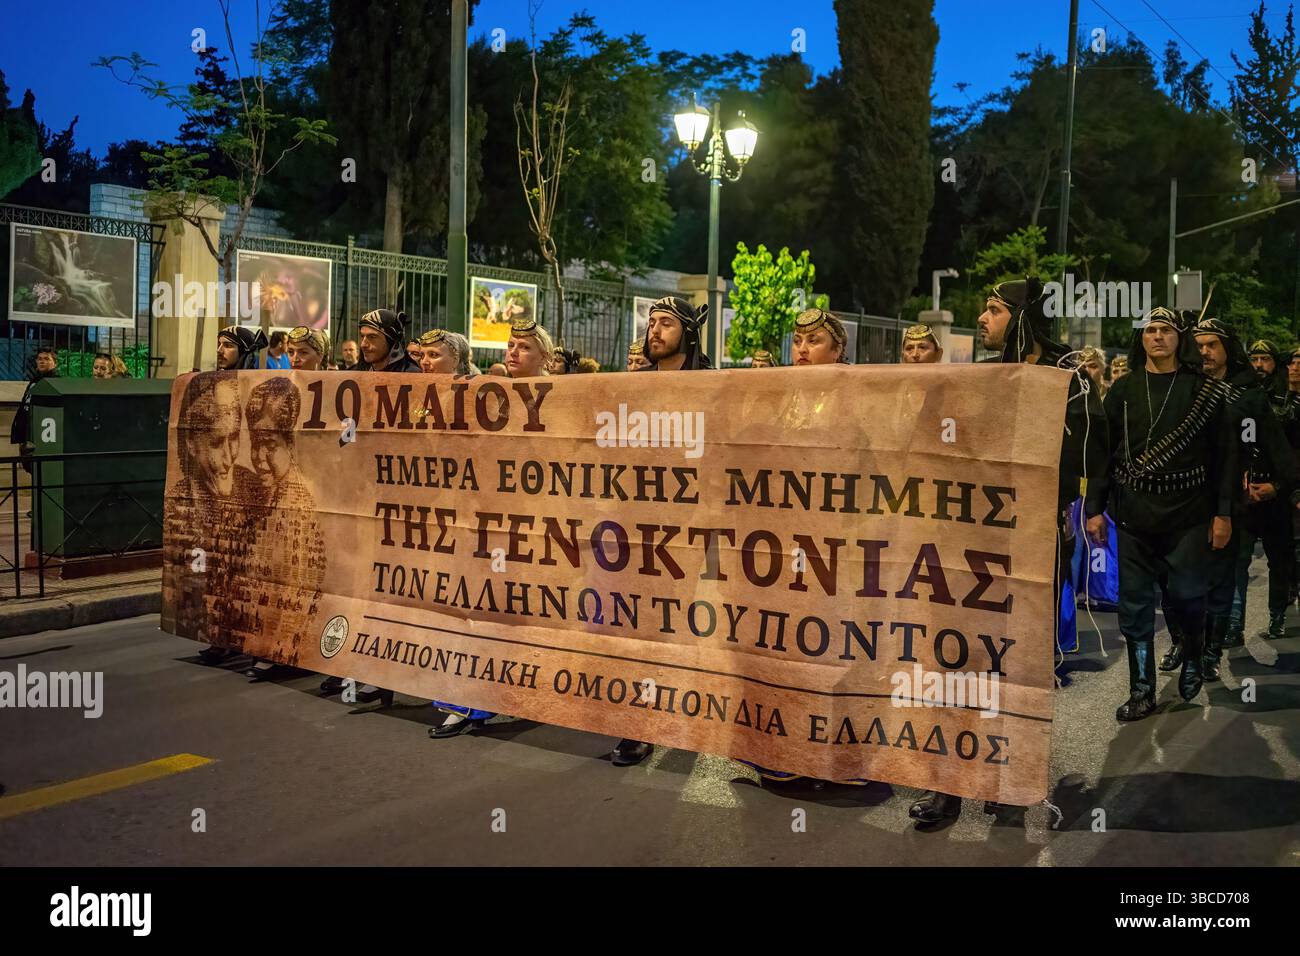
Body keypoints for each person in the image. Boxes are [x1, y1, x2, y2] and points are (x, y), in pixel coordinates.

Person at [909, 277, 1106, 828]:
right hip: (972, 544)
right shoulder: (983, 376)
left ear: (1021, 317)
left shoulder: (1067, 378)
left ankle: (1010, 780)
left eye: (993, 310)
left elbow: (1089, 450)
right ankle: (947, 785)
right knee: (954, 657)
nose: (983, 318)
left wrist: (1052, 501)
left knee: (1017, 664)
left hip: (1033, 540)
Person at [1085, 307, 1235, 723]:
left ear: (1177, 338)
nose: (1157, 337)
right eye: (1150, 330)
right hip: (1133, 517)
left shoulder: (1203, 391)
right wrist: (1095, 509)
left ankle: (1192, 652)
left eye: (1165, 330)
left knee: (1187, 597)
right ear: (1142, 338)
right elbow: (1103, 454)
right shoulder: (1123, 389)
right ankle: (1142, 691)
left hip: (1188, 517)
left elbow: (1225, 459)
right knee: (1133, 607)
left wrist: (1223, 515)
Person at [1192, 318, 1294, 682]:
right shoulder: (1190, 390)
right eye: (1198, 345)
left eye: (1212, 345)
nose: (1203, 351)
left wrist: (1276, 488)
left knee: (1256, 567)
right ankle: (1203, 638)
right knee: (1208, 574)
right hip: (1208, 501)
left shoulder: (1252, 397)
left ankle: (1266, 621)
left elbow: (1283, 455)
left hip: (1256, 500)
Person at [1228, 338, 1298, 642]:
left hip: (1277, 494)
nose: (1259, 365)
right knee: (1237, 561)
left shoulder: (1292, 406)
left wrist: (1279, 487)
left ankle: (1277, 616)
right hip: (1244, 493)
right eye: (1254, 359)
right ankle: (1233, 624)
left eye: (1265, 359)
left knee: (1279, 560)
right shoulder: (1241, 398)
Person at [10, 346, 59, 476]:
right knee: (29, 467)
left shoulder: (56, 382)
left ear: (54, 362)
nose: (42, 361)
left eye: (46, 359)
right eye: (39, 359)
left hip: (41, 433)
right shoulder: (35, 380)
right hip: (27, 431)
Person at [640, 295, 712, 371]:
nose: (655, 330)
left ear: (686, 332)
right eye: (652, 324)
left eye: (666, 324)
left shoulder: (712, 380)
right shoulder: (638, 378)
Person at [355, 308, 421, 373]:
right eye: (362, 336)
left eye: (372, 337)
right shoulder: (356, 374)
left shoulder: (412, 376)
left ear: (392, 341)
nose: (363, 345)